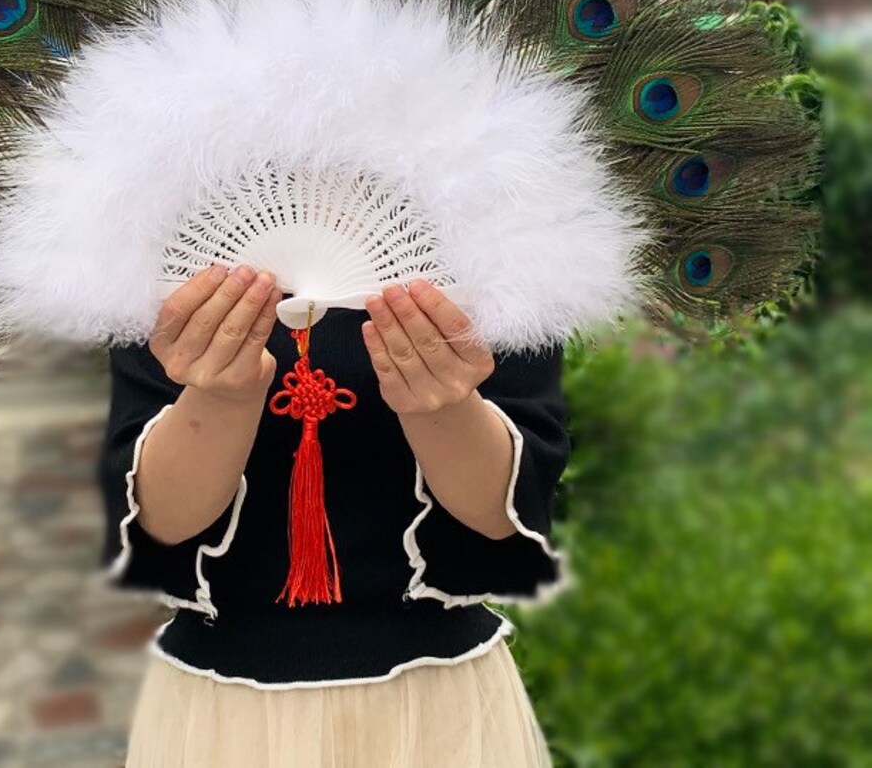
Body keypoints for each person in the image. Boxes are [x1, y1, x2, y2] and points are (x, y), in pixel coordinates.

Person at [98, 261, 568, 767]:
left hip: (438, 709)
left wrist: (443, 406)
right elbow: (160, 522)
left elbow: (506, 514)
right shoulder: (157, 248)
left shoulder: (498, 241)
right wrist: (219, 397)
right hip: (224, 715)